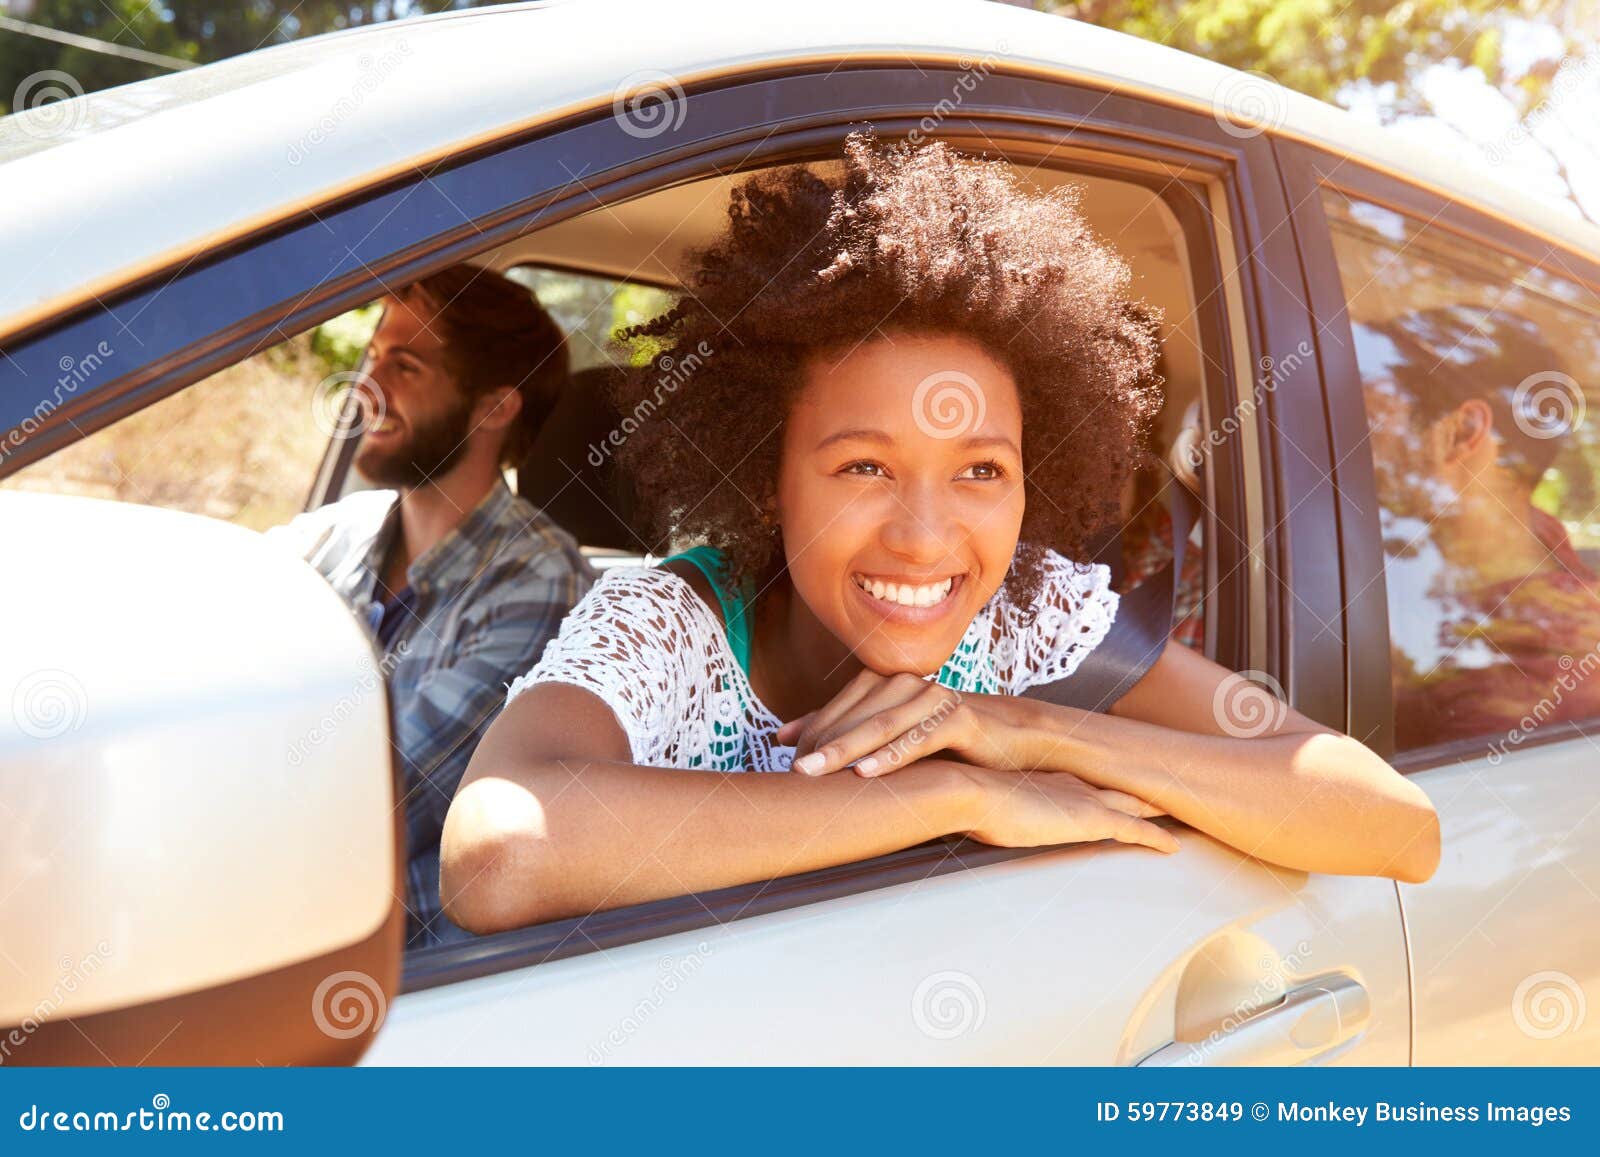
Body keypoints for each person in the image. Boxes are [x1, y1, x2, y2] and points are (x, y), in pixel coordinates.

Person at [439, 131, 1438, 936]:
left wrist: (1030, 730)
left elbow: (1396, 825)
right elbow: (497, 855)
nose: (925, 538)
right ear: (766, 480)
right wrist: (952, 795)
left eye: (979, 471)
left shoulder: (1024, 612)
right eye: (863, 466)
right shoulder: (670, 626)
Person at [268, 264, 594, 946]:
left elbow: (373, 803)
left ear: (494, 407)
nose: (367, 385)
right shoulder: (332, 533)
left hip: (383, 969)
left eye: (406, 366)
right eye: (374, 355)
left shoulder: (537, 581)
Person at [1357, 305, 1600, 750]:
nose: (1350, 446)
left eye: (1369, 419)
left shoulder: (1528, 671)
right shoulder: (1526, 538)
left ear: (1461, 431)